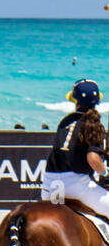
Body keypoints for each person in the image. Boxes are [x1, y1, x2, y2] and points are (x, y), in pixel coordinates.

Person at [41, 79, 109, 216]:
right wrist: (105, 173)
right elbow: (92, 158)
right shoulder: (94, 125)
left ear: (76, 102)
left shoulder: (65, 121)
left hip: (49, 187)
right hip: (76, 187)